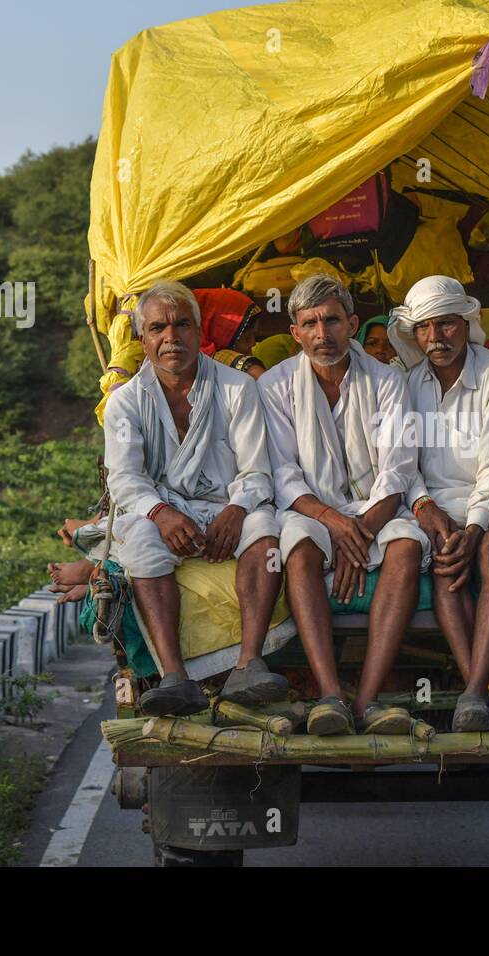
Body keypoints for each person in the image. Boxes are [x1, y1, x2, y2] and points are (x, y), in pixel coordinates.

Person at [100, 279, 287, 716]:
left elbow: (258, 469)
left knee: (266, 532)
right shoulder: (125, 403)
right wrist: (162, 514)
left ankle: (249, 664)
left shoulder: (238, 387)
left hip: (229, 504)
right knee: (141, 545)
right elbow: (124, 478)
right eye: (158, 328)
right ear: (142, 338)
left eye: (182, 325)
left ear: (198, 331)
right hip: (161, 510)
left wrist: (238, 510)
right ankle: (174, 676)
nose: (171, 337)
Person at [258, 275, 430, 736]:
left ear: (351, 323)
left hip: (377, 510)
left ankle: (367, 700)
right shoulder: (275, 386)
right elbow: (283, 473)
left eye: (331, 320)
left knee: (408, 549)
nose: (322, 334)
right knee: (298, 550)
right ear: (295, 332)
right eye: (310, 323)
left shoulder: (388, 380)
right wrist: (335, 524)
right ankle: (330, 694)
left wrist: (361, 532)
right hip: (312, 511)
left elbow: (398, 468)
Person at [387, 276, 489, 732]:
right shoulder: (406, 384)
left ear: (466, 323)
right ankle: (479, 691)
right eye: (425, 329)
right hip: (429, 506)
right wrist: (426, 506)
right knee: (444, 554)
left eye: (446, 325)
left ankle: (472, 691)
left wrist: (475, 524)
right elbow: (401, 462)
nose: (435, 338)